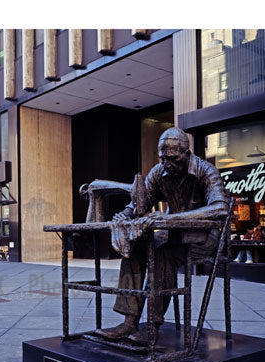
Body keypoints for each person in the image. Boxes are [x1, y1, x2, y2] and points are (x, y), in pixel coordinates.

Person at [96, 127, 230, 345]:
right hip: (173, 234)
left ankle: (152, 324)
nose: (167, 164)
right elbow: (140, 203)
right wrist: (124, 215)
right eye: (162, 158)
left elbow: (220, 209)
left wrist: (169, 219)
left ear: (187, 154)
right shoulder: (159, 172)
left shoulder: (206, 171)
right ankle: (129, 321)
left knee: (163, 250)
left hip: (205, 237)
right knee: (136, 246)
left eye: (172, 159)